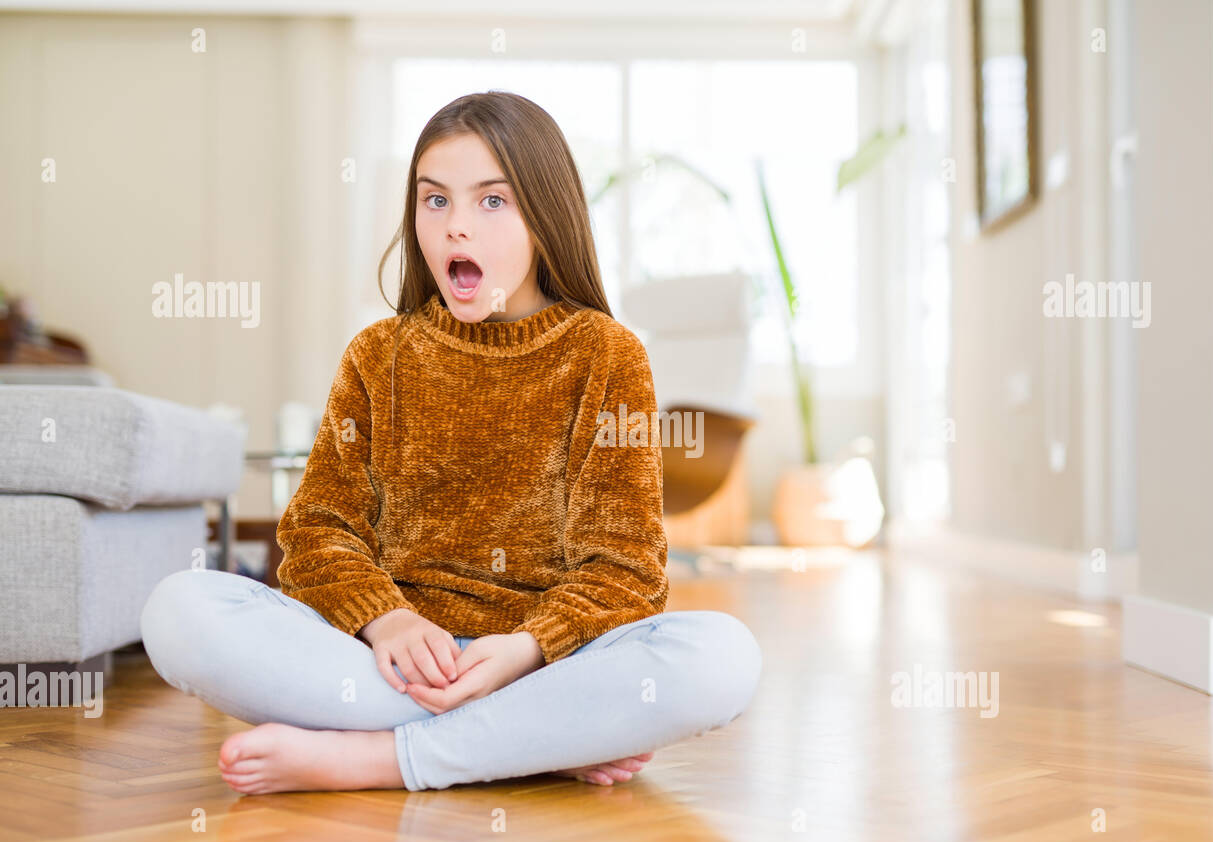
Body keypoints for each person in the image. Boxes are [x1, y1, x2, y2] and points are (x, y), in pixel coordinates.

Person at [139, 90, 762, 794]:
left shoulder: (607, 355)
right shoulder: (377, 355)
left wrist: (526, 651)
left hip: (543, 663)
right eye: (435, 201)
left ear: (544, 214)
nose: (456, 228)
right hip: (388, 666)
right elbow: (317, 533)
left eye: (491, 201)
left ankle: (375, 759)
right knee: (177, 610)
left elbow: (625, 569)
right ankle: (533, 741)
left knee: (723, 657)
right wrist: (389, 621)